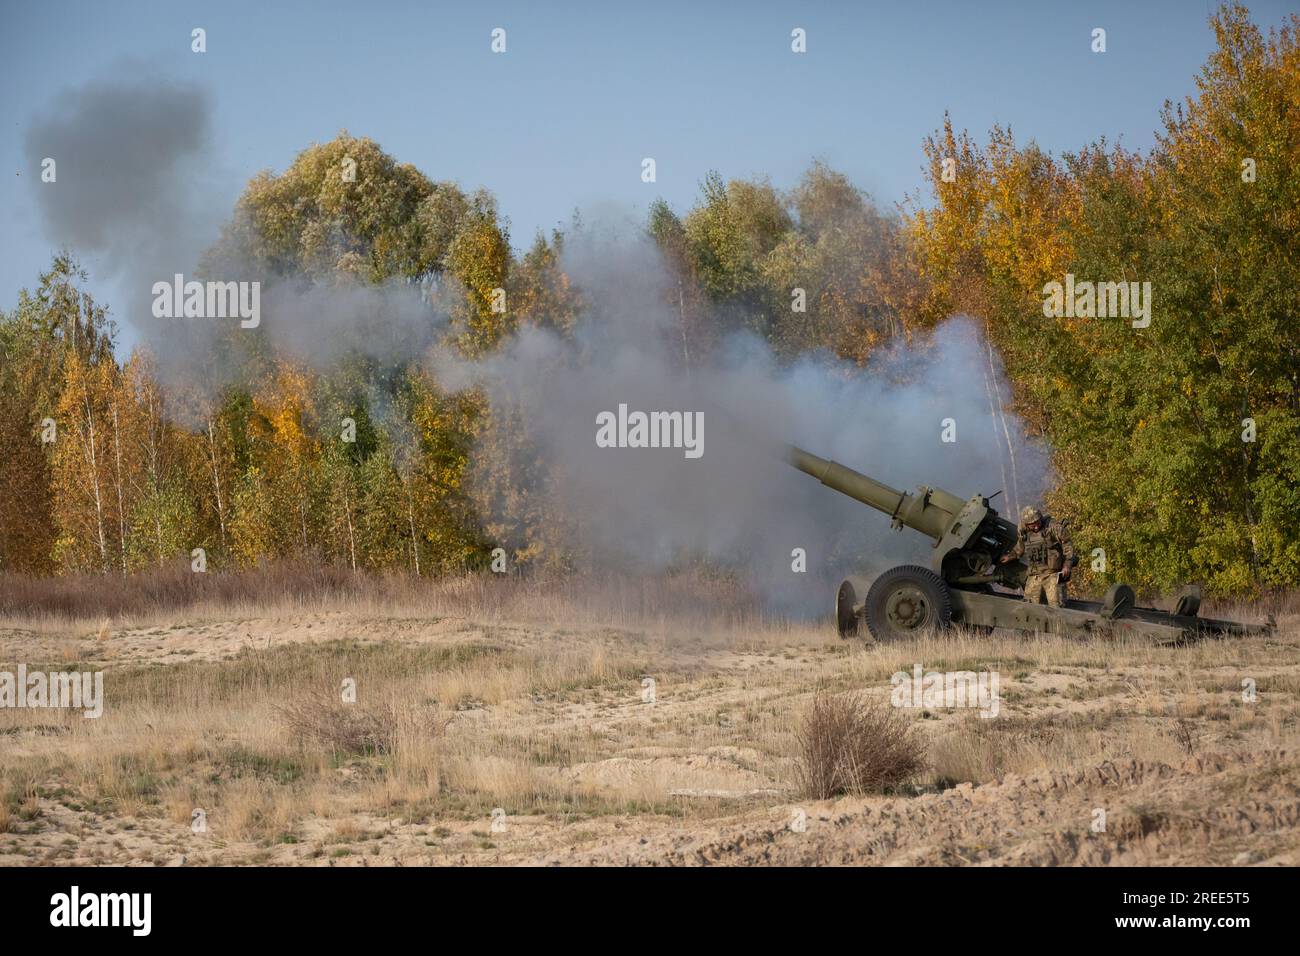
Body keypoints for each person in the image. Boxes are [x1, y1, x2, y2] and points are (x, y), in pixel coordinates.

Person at [999, 505, 1076, 607]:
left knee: (1056, 606)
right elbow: (1020, 547)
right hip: (1034, 574)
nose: (1036, 527)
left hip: (1052, 573)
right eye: (1032, 525)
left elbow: (1067, 546)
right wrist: (1010, 556)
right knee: (1029, 606)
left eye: (1038, 523)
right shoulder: (1023, 531)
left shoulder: (1053, 528)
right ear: (1026, 524)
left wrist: (1067, 565)